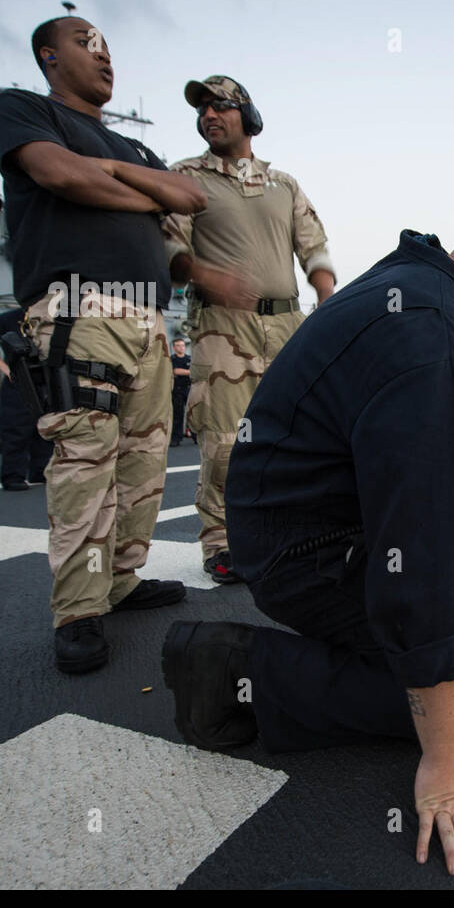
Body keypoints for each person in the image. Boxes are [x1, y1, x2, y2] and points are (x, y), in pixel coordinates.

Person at [162, 165, 454, 875]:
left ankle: (441, 632)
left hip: (319, 516)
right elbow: (416, 565)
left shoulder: (428, 292)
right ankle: (233, 670)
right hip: (310, 552)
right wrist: (446, 766)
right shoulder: (430, 335)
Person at [0, 15, 207, 673]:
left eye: (108, 45)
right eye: (87, 43)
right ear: (50, 56)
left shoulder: (130, 148)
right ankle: (80, 607)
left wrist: (105, 166)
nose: (104, 55)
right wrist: (126, 186)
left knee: (143, 463)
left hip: (147, 321)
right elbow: (59, 176)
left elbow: (188, 197)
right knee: (86, 459)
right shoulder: (19, 109)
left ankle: (121, 579)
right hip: (79, 308)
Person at [160, 75, 336, 585]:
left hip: (288, 324)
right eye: (203, 110)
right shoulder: (185, 178)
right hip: (221, 328)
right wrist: (202, 274)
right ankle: (220, 543)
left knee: (294, 435)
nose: (209, 116)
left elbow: (315, 246)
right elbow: (171, 247)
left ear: (248, 116)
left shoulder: (284, 185)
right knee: (225, 443)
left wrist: (326, 297)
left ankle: (285, 529)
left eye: (221, 106)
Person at [0, 307, 53, 490]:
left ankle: (40, 471)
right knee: (15, 429)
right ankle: (13, 476)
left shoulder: (53, 318)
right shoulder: (9, 318)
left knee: (47, 427)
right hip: (20, 379)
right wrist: (6, 369)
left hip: (47, 380)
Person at [169, 337, 191, 447]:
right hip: (177, 390)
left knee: (193, 413)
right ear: (174, 347)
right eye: (178, 345)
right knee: (177, 415)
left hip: (189, 389)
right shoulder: (172, 359)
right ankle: (176, 438)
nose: (181, 347)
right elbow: (176, 371)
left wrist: (186, 372)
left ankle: (195, 436)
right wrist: (190, 372)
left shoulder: (189, 358)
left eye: (182, 345)